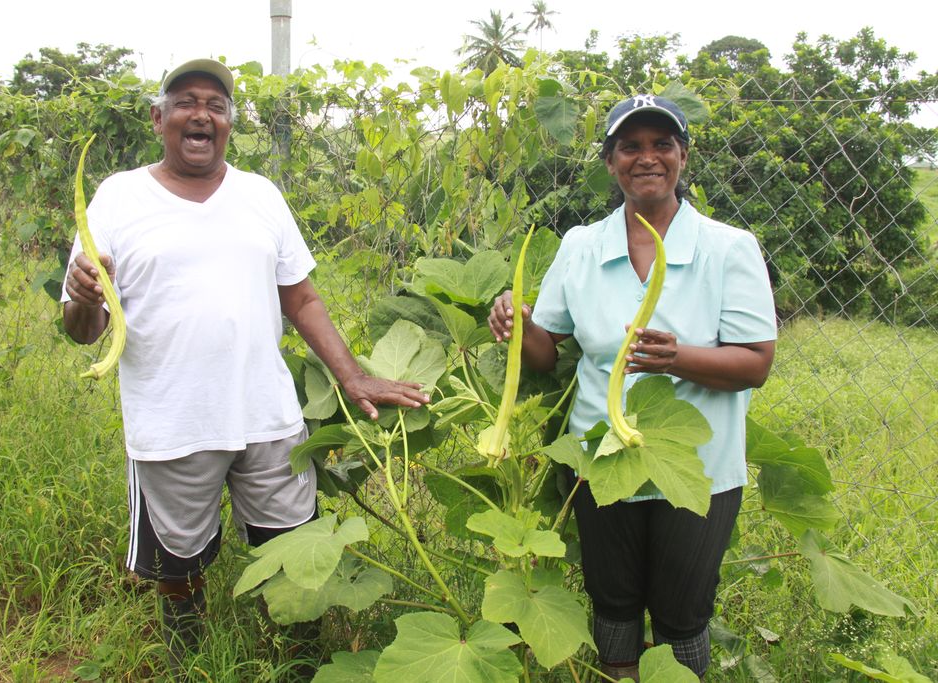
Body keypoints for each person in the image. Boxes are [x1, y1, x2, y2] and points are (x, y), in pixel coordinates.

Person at [62, 58, 430, 669]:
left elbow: (302, 296)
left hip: (268, 416)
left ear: (230, 124)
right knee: (177, 563)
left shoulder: (260, 195)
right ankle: (192, 661)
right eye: (185, 101)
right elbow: (85, 331)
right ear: (159, 118)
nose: (201, 113)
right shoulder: (117, 198)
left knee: (290, 551)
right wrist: (80, 296)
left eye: (216, 104)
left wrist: (353, 375)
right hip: (172, 424)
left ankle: (295, 659)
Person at [488, 94, 777, 680]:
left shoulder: (728, 248)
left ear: (683, 157)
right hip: (600, 458)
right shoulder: (581, 247)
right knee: (613, 599)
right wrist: (519, 326)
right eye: (630, 147)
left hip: (697, 465)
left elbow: (755, 363)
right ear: (611, 161)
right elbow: (546, 353)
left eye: (661, 145)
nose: (647, 158)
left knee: (683, 611)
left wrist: (678, 358)